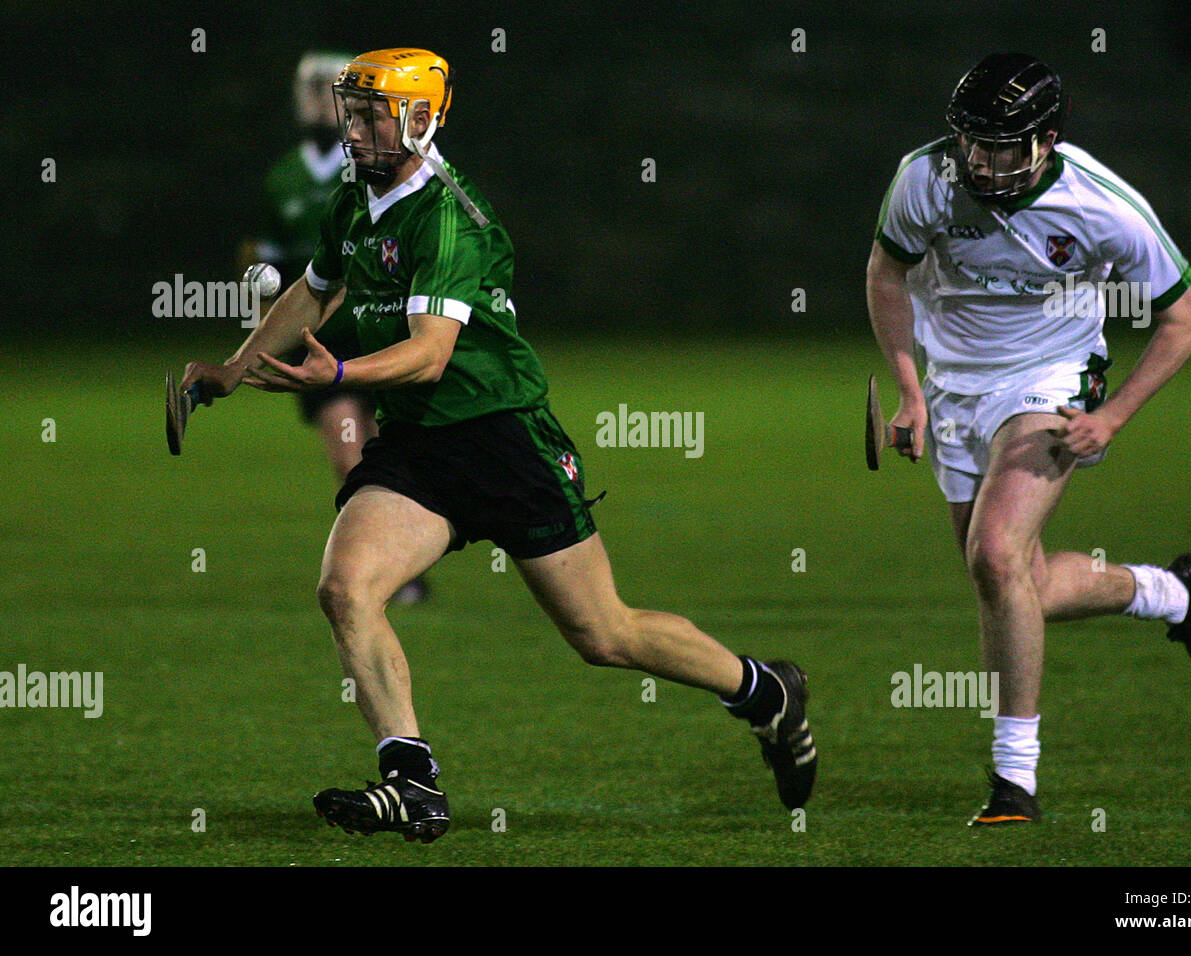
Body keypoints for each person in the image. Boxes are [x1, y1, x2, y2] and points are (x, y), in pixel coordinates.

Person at [182, 47, 816, 842]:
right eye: (351, 110)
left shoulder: (448, 213)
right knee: (347, 590)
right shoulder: (355, 198)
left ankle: (763, 691)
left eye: (371, 112)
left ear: (420, 118)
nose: (354, 127)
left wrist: (338, 370)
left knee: (602, 635)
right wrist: (235, 368)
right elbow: (316, 289)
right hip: (417, 447)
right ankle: (412, 781)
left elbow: (429, 353)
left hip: (503, 439)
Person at [866, 53, 1191, 825]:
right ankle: (1171, 595)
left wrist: (1114, 415)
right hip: (955, 387)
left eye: (1002, 145)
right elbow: (887, 273)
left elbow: (1187, 314)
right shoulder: (924, 180)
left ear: (1047, 139)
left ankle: (1014, 782)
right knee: (1015, 581)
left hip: (1053, 376)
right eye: (972, 142)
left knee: (995, 557)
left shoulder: (1102, 206)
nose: (981, 161)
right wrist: (908, 389)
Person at [242, 50, 428, 605]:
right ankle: (390, 575)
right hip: (319, 346)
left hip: (387, 337)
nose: (320, 104)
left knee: (392, 455)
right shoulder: (282, 177)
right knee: (350, 454)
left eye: (332, 92)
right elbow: (264, 265)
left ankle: (400, 562)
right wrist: (259, 329)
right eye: (311, 90)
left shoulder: (372, 166)